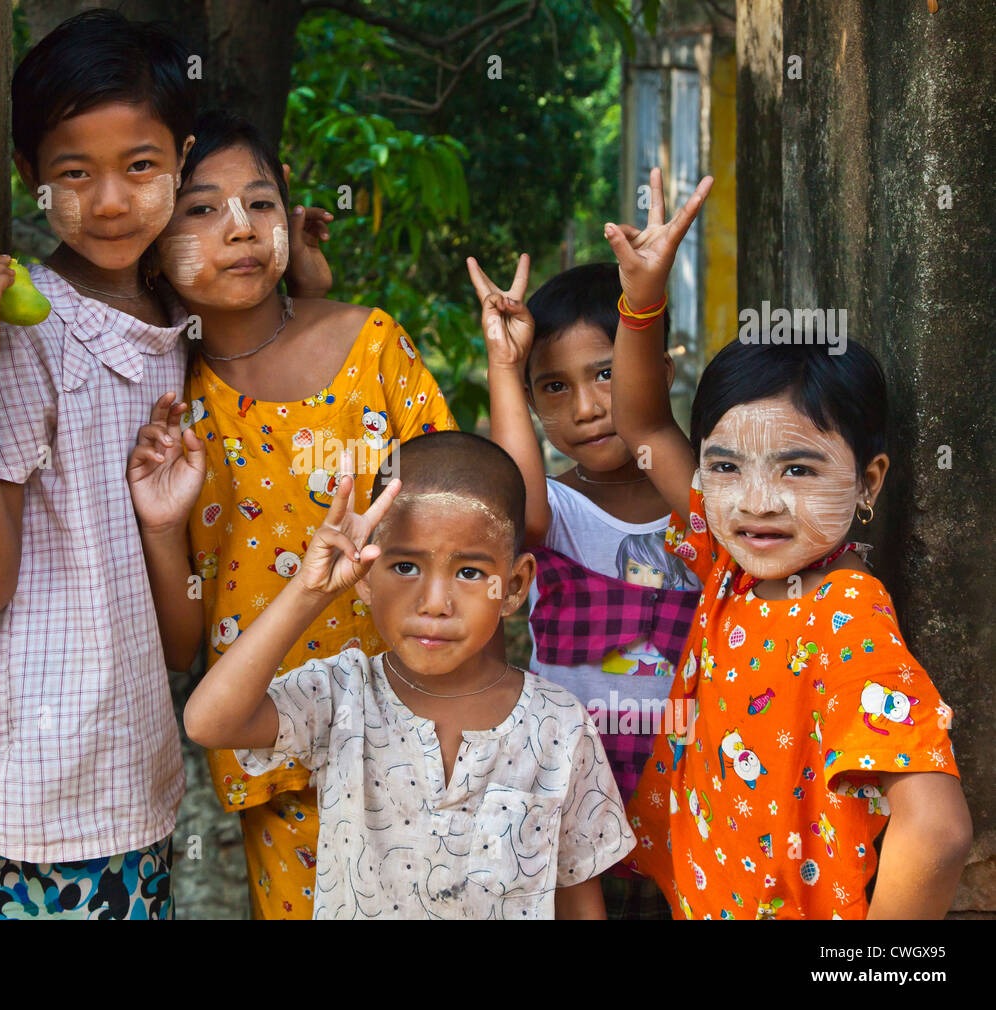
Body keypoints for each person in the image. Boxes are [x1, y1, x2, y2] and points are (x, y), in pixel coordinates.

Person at [0, 13, 328, 919]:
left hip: (136, 778)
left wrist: (305, 271)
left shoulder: (170, 325)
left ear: (178, 160)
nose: (109, 201)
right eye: (74, 172)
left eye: (140, 167)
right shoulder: (26, 331)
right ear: (31, 176)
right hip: (41, 797)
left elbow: (175, 637)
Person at [606, 167, 972, 919]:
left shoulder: (846, 616)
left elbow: (935, 835)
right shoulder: (727, 561)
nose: (757, 501)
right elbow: (643, 426)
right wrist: (641, 303)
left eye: (798, 468)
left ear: (869, 482)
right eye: (726, 466)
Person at [129, 110, 458, 918]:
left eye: (261, 202)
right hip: (278, 756)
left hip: (421, 734)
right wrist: (163, 531)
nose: (238, 228)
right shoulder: (170, 406)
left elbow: (467, 525)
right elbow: (182, 644)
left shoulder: (371, 346)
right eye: (201, 209)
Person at [176, 431, 633, 918]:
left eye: (470, 573)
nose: (434, 603)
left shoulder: (559, 726)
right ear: (366, 576)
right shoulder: (342, 696)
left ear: (515, 585)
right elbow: (209, 723)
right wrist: (309, 592)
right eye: (406, 566)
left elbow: (578, 893)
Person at [471, 256, 700, 919]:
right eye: (553, 387)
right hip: (575, 822)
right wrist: (501, 363)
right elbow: (519, 507)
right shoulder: (554, 515)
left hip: (698, 812)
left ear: (659, 370)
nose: (589, 407)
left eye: (606, 373)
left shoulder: (704, 497)